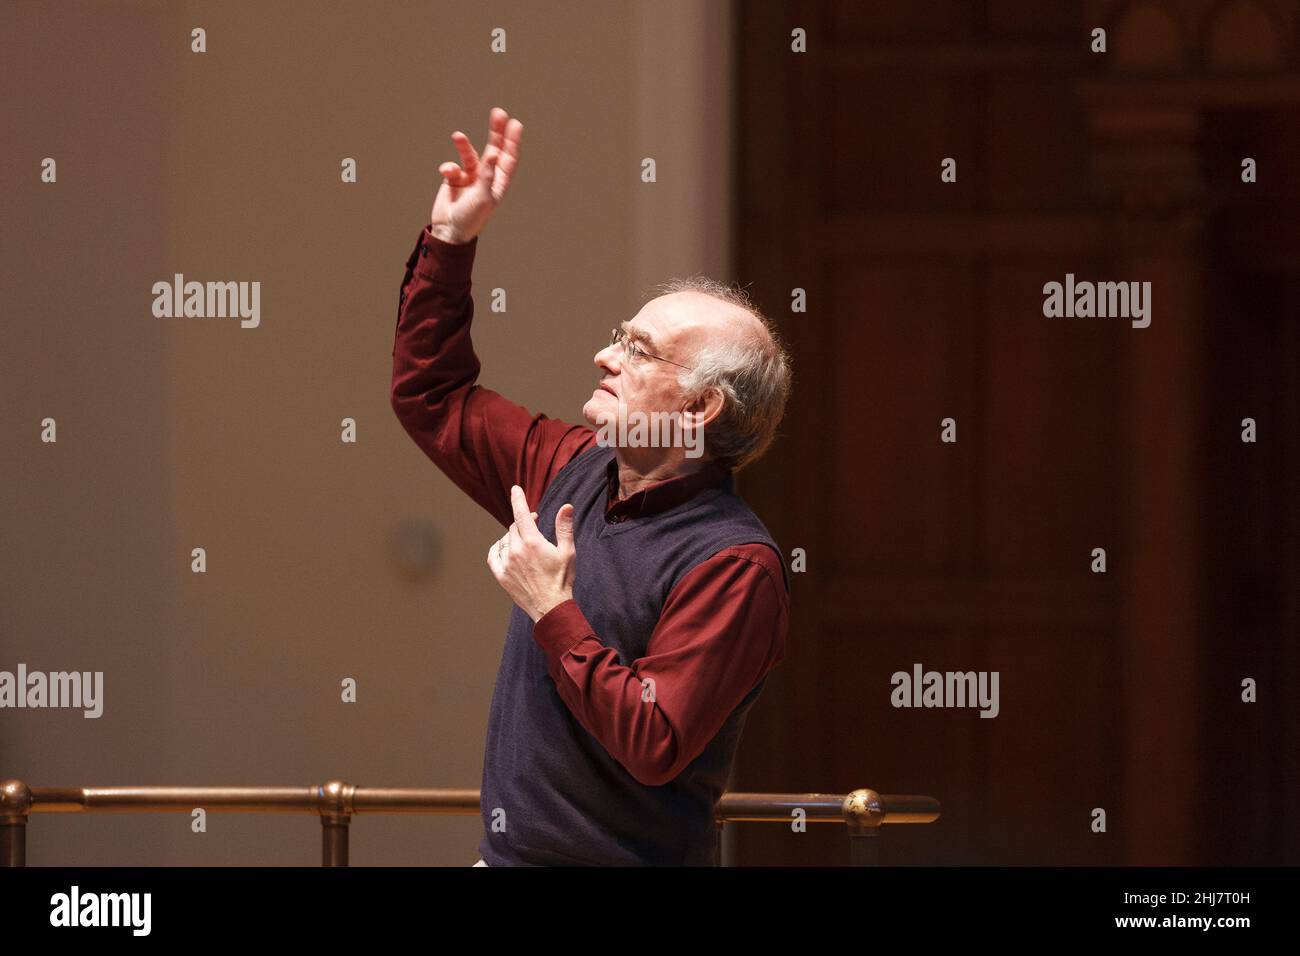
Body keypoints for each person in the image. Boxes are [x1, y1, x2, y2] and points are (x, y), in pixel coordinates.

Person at [391, 107, 792, 866]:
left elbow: (654, 741)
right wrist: (451, 241)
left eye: (639, 350)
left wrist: (552, 607)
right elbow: (432, 396)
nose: (605, 356)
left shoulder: (735, 565)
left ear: (701, 407)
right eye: (620, 335)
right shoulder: (571, 464)